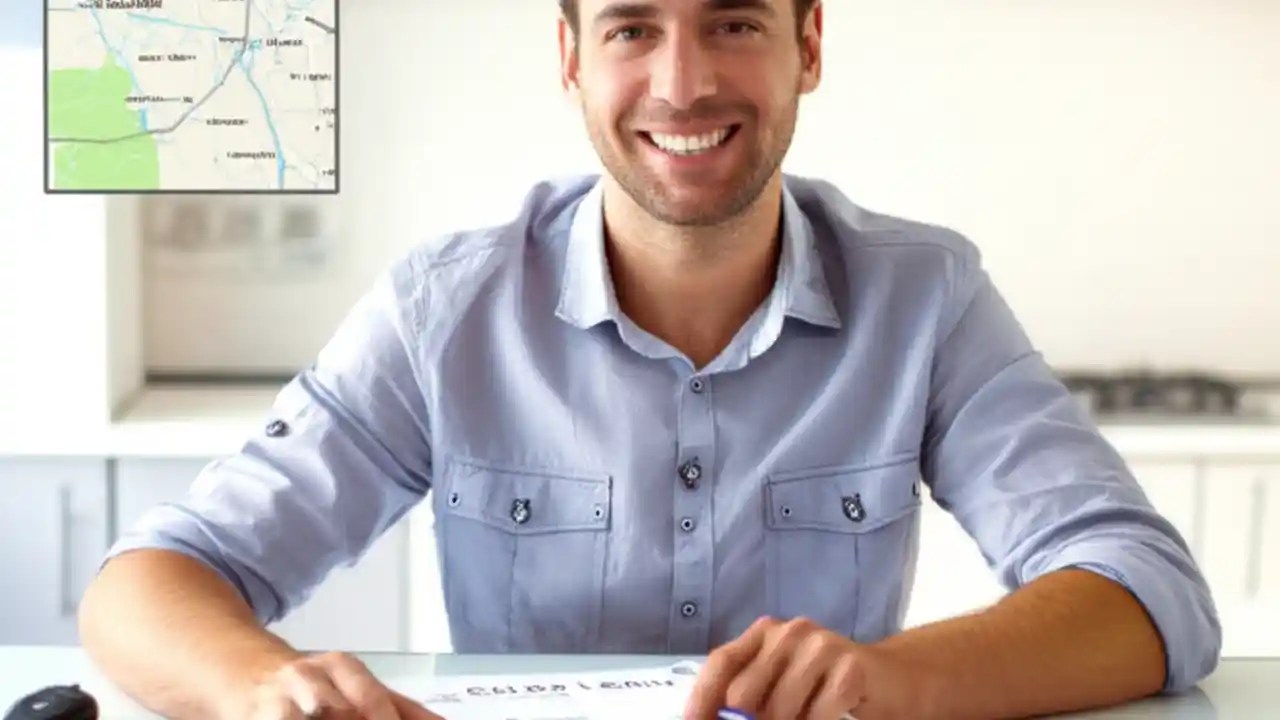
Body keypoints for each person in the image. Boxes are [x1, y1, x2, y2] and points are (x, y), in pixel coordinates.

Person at [78, 0, 1222, 718]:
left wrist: (891, 681)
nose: (682, 84)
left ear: (806, 45)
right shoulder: (444, 308)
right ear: (570, 57)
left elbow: (1146, 591)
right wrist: (260, 688)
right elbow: (147, 584)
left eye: (732, 23)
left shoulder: (925, 296)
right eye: (631, 27)